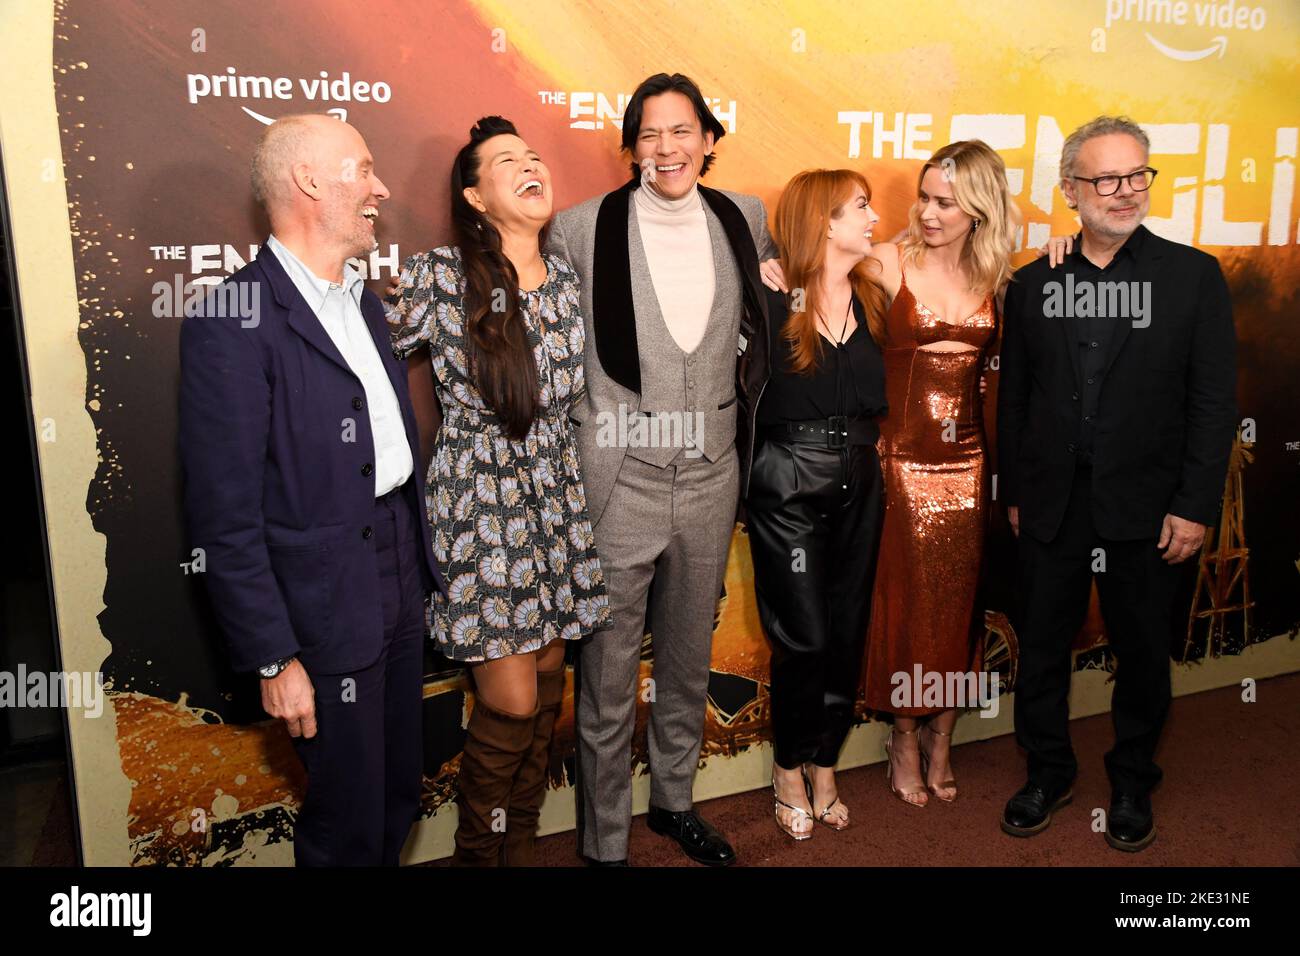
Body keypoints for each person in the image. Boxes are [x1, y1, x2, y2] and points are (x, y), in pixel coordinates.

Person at [179, 114, 447, 866]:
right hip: (320, 600)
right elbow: (223, 518)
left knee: (397, 790)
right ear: (308, 181)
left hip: (395, 567)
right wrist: (273, 659)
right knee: (346, 816)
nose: (381, 188)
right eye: (363, 170)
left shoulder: (362, 300)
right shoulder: (231, 320)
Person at [546, 72, 779, 866]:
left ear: (710, 140)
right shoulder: (580, 230)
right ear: (631, 145)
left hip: (712, 473)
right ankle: (604, 840)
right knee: (608, 673)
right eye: (650, 133)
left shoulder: (745, 217)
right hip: (621, 478)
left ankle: (674, 803)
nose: (667, 147)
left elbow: (802, 282)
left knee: (686, 656)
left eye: (682, 131)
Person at [998, 115, 1237, 851]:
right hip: (1052, 505)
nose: (1125, 191)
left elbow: (1213, 402)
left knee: (1142, 653)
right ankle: (1047, 771)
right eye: (1106, 179)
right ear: (1071, 189)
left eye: (1137, 175)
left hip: (1149, 509)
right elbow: (1017, 397)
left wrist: (1194, 506)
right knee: (1040, 648)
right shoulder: (1034, 281)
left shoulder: (1193, 277)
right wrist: (1014, 489)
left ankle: (1133, 779)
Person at [387, 117, 611, 866]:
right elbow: (350, 349)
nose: (530, 166)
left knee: (548, 680)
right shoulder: (440, 276)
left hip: (555, 496)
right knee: (511, 701)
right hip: (481, 503)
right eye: (506, 161)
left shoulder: (570, 278)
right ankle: (480, 856)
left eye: (534, 157)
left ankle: (520, 846)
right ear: (476, 195)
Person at [860, 140, 1018, 807]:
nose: (927, 212)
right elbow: (813, 287)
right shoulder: (882, 261)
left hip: (970, 463)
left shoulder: (1001, 277)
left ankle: (943, 734)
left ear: (978, 209)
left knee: (959, 605)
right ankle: (902, 733)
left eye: (945, 202)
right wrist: (782, 269)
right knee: (906, 603)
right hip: (899, 460)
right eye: (924, 196)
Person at [745, 169, 888, 839]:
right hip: (788, 484)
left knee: (847, 629)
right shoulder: (773, 300)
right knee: (802, 634)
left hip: (862, 478)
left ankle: (826, 764)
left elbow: (961, 240)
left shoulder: (875, 298)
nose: (873, 216)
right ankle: (788, 766)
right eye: (859, 206)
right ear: (824, 223)